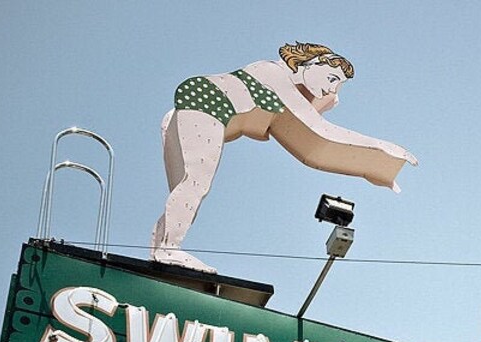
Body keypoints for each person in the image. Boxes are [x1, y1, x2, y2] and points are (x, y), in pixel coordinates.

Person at [150, 42, 417, 273]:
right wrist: (382, 149)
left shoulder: (279, 86)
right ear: (315, 62)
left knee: (189, 189)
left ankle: (164, 246)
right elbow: (319, 132)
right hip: (205, 102)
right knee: (195, 185)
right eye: (332, 79)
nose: (332, 90)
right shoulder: (273, 72)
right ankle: (169, 248)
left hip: (192, 108)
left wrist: (378, 167)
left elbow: (308, 143)